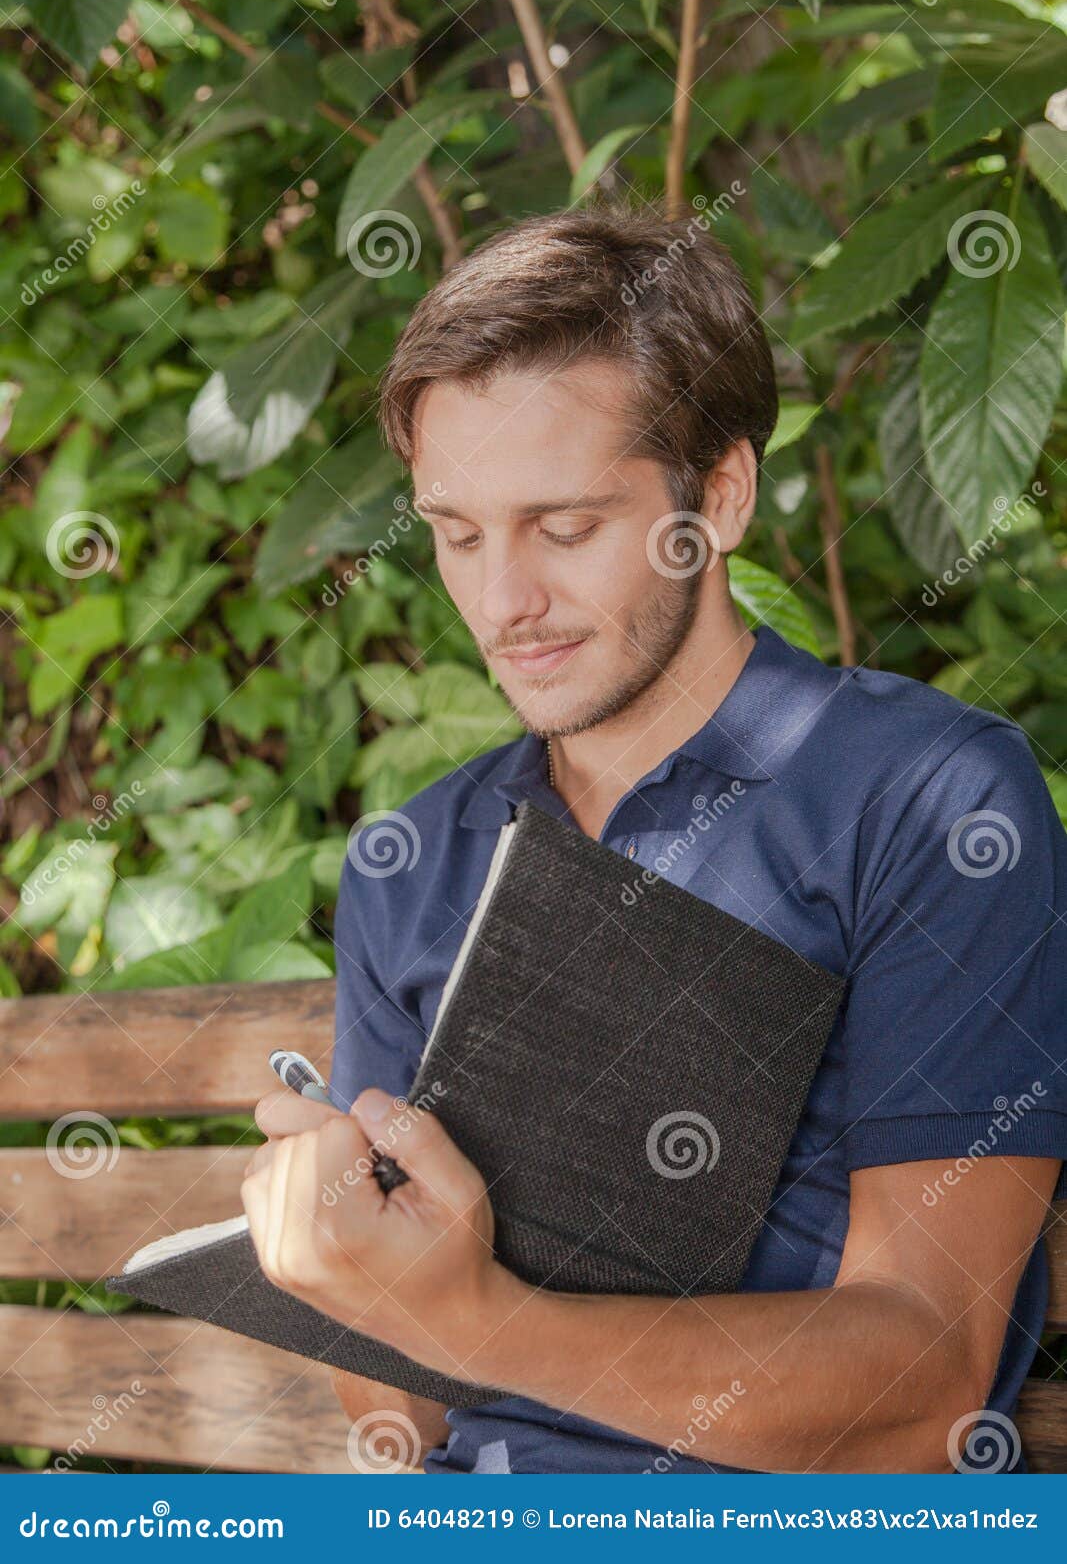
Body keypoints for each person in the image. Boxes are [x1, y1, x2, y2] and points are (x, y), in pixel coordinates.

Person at [244, 205, 1067, 1474]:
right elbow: (397, 1413)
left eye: (562, 527)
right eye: (456, 535)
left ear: (718, 496)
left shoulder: (926, 801)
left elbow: (925, 1380)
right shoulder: (413, 859)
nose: (501, 602)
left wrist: (482, 1320)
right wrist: (348, 1256)